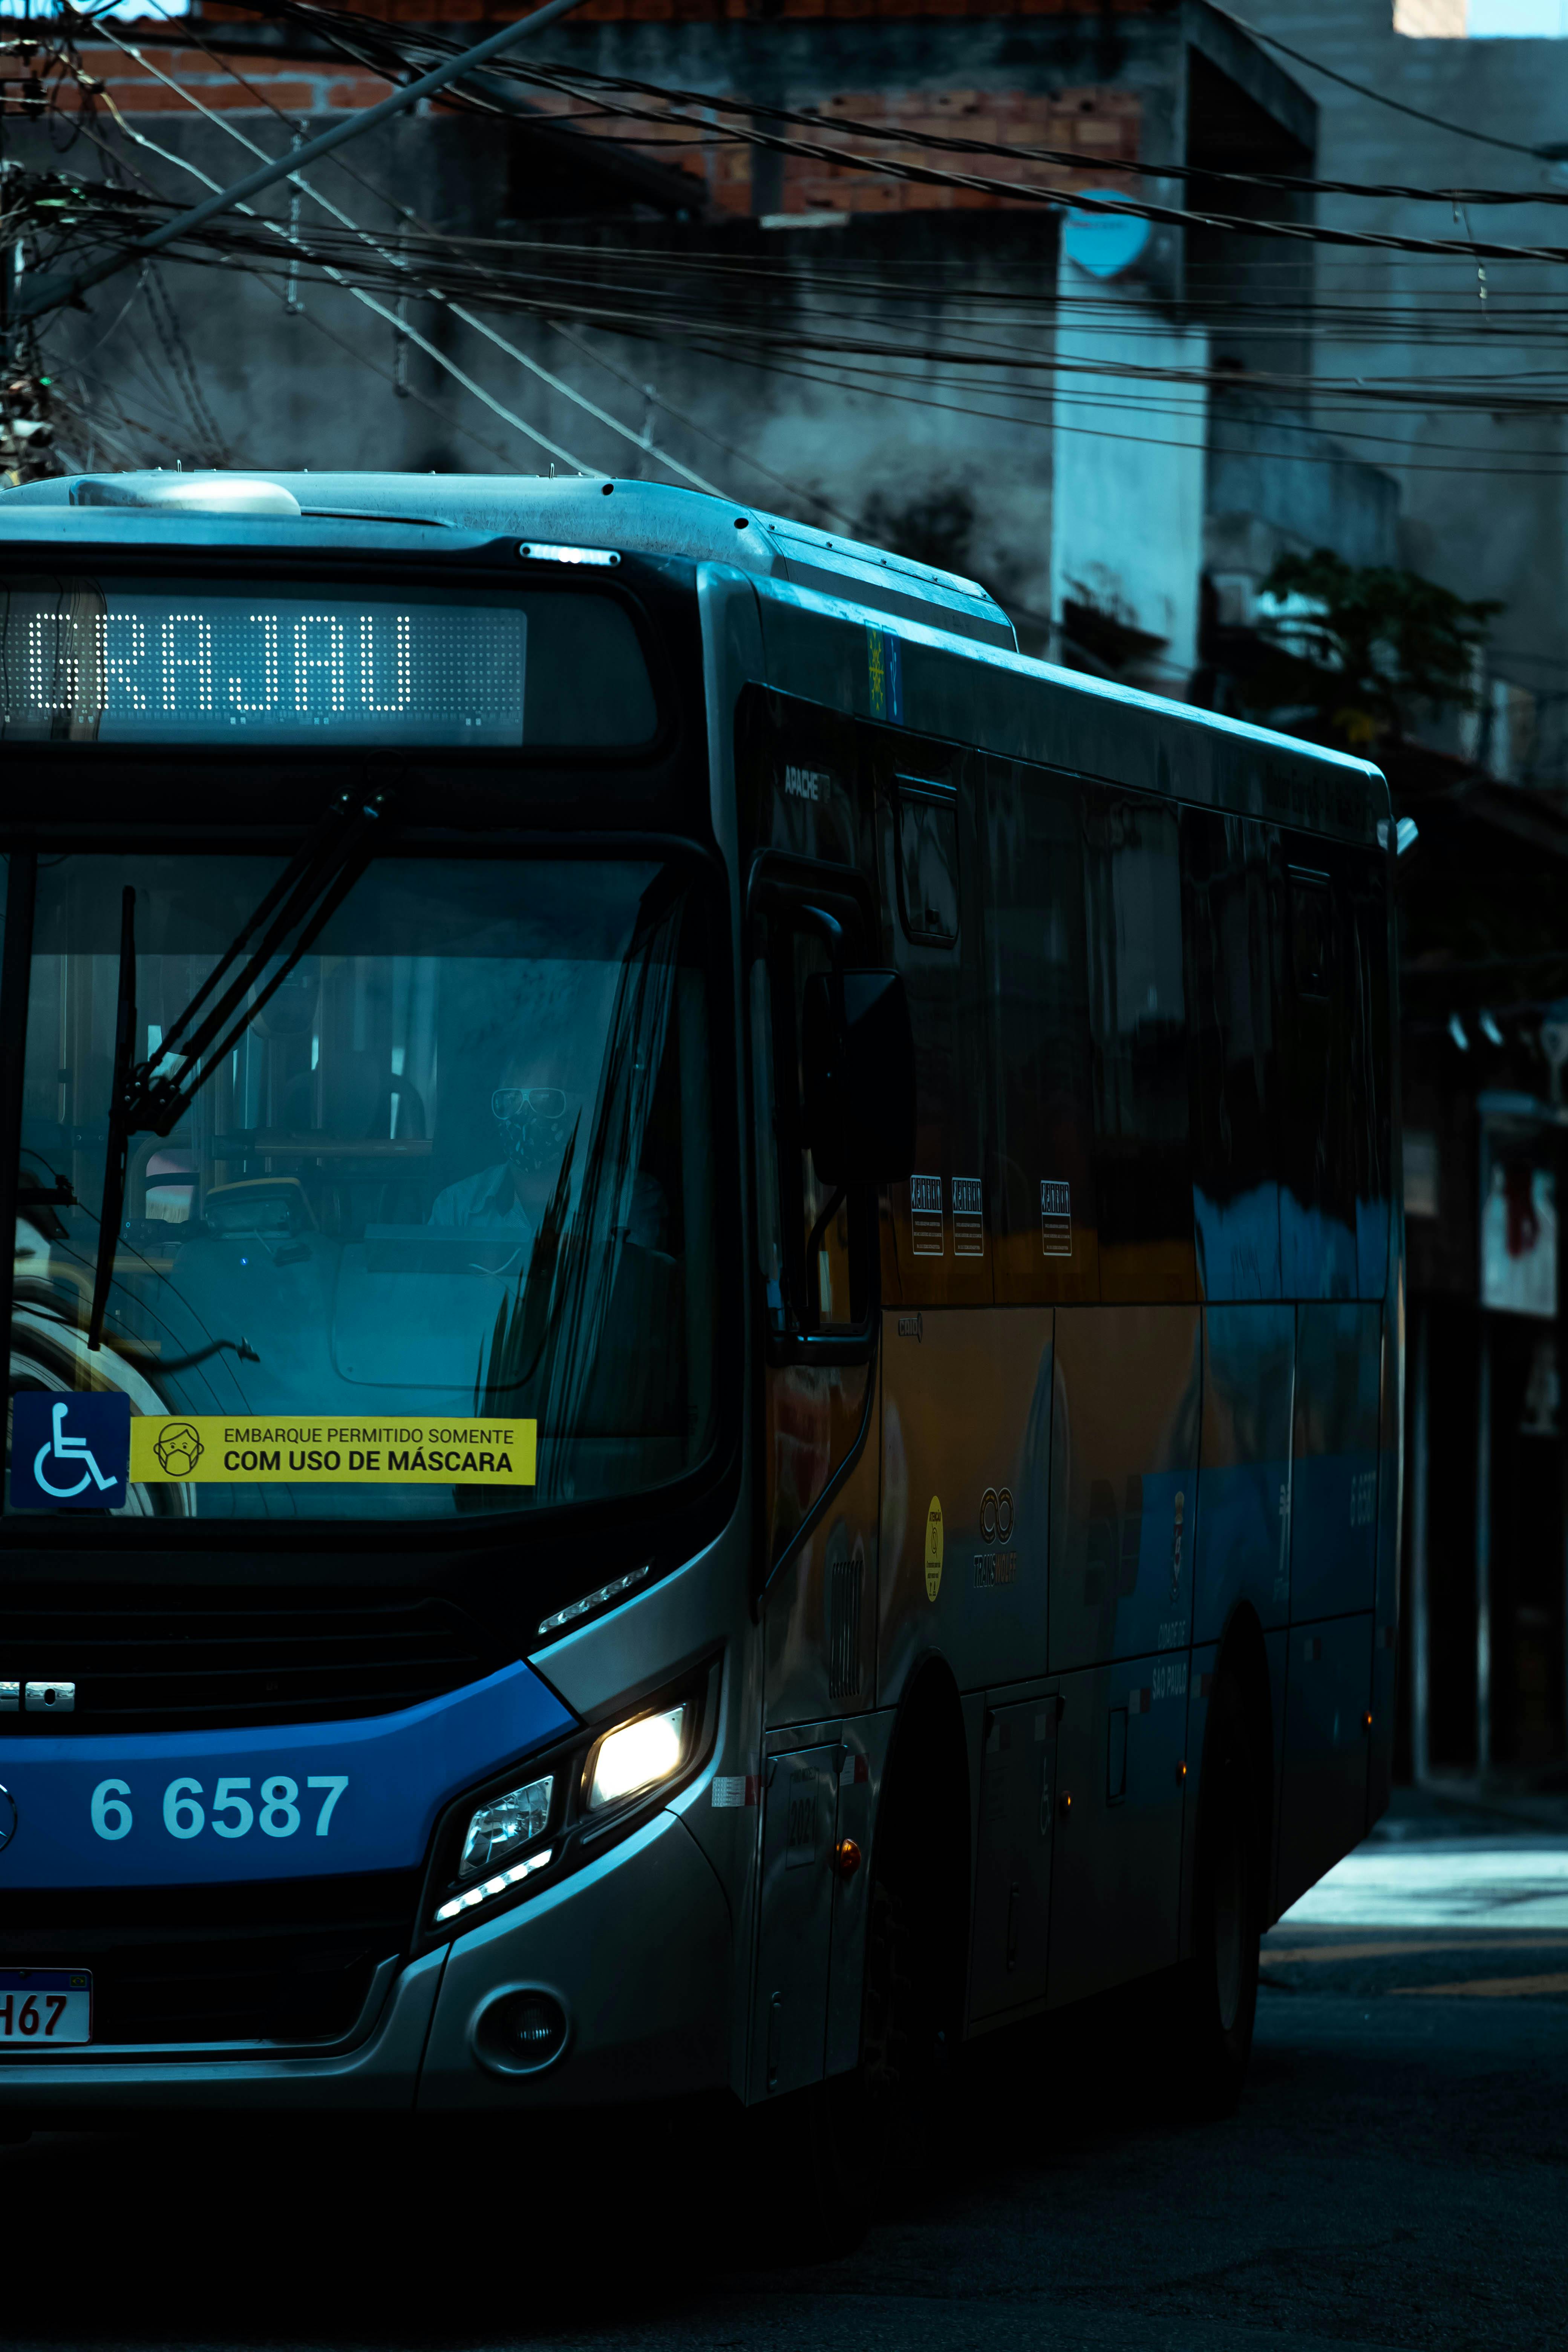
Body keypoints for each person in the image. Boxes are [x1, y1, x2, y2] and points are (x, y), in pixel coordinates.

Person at [428, 1060, 584, 1242]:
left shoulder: (611, 1205)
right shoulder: (455, 1207)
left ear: (582, 1109)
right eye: (511, 1099)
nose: (525, 1114)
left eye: (545, 1100)